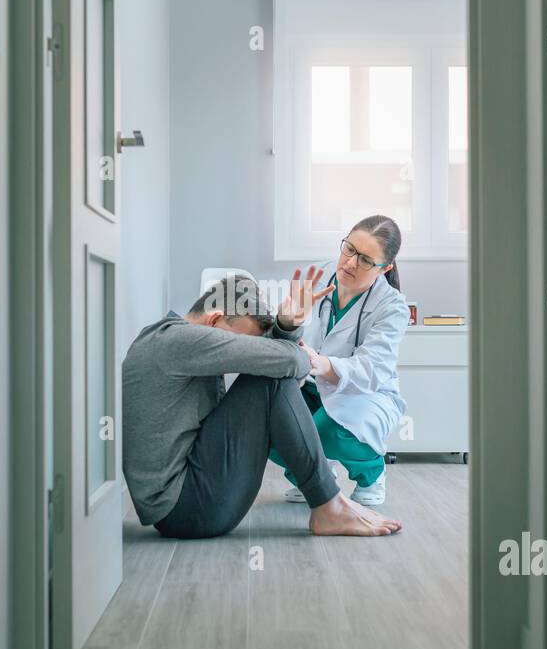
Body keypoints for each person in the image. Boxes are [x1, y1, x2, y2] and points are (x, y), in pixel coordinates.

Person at [121, 271, 403, 539]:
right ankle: (328, 505)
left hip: (189, 500)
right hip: (187, 509)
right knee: (270, 379)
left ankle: (328, 500)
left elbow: (280, 357)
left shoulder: (169, 338)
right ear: (214, 320)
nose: (246, 351)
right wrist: (292, 347)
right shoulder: (179, 341)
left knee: (271, 373)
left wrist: (287, 325)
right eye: (240, 342)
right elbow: (292, 361)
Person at [271, 215, 408, 506]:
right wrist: (286, 321)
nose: (350, 263)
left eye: (366, 260)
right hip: (308, 384)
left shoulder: (392, 306)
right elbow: (284, 335)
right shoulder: (316, 277)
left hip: (364, 394)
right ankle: (315, 476)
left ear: (385, 268)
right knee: (265, 420)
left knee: (325, 432)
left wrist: (323, 363)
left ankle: (370, 475)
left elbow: (372, 369)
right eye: (349, 249)